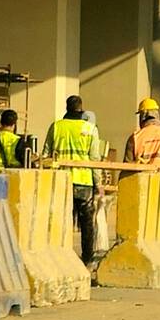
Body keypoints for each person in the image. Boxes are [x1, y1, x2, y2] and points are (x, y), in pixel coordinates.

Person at [44, 95, 101, 263]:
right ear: (81, 109)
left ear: (66, 108)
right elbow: (94, 158)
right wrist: (98, 183)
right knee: (86, 223)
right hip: (83, 180)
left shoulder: (56, 127)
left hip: (60, 180)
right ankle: (87, 258)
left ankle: (61, 255)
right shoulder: (90, 129)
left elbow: (46, 154)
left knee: (62, 220)